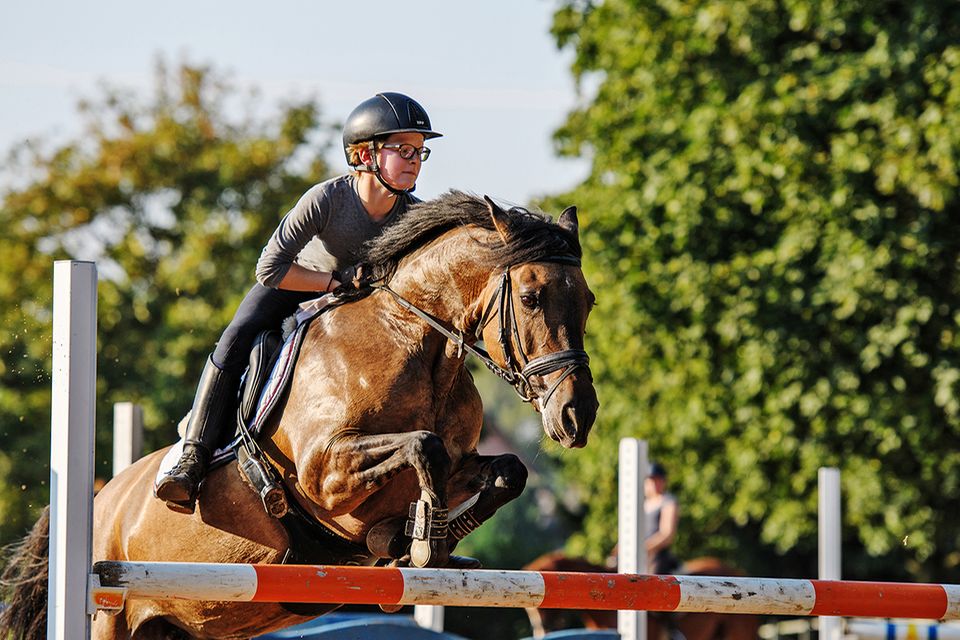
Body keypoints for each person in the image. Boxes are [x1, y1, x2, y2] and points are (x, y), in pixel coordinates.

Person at [154, 92, 442, 513]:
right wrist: (331, 280)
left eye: (419, 152)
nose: (414, 160)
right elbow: (268, 268)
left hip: (362, 305)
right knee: (235, 338)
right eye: (403, 150)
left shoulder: (415, 216)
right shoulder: (327, 199)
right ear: (364, 154)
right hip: (296, 282)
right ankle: (193, 457)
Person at [645, 461, 680, 574]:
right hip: (637, 555)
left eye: (658, 480)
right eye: (651, 481)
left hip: (657, 556)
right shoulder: (641, 504)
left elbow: (666, 535)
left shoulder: (668, 502)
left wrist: (642, 549)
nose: (654, 485)